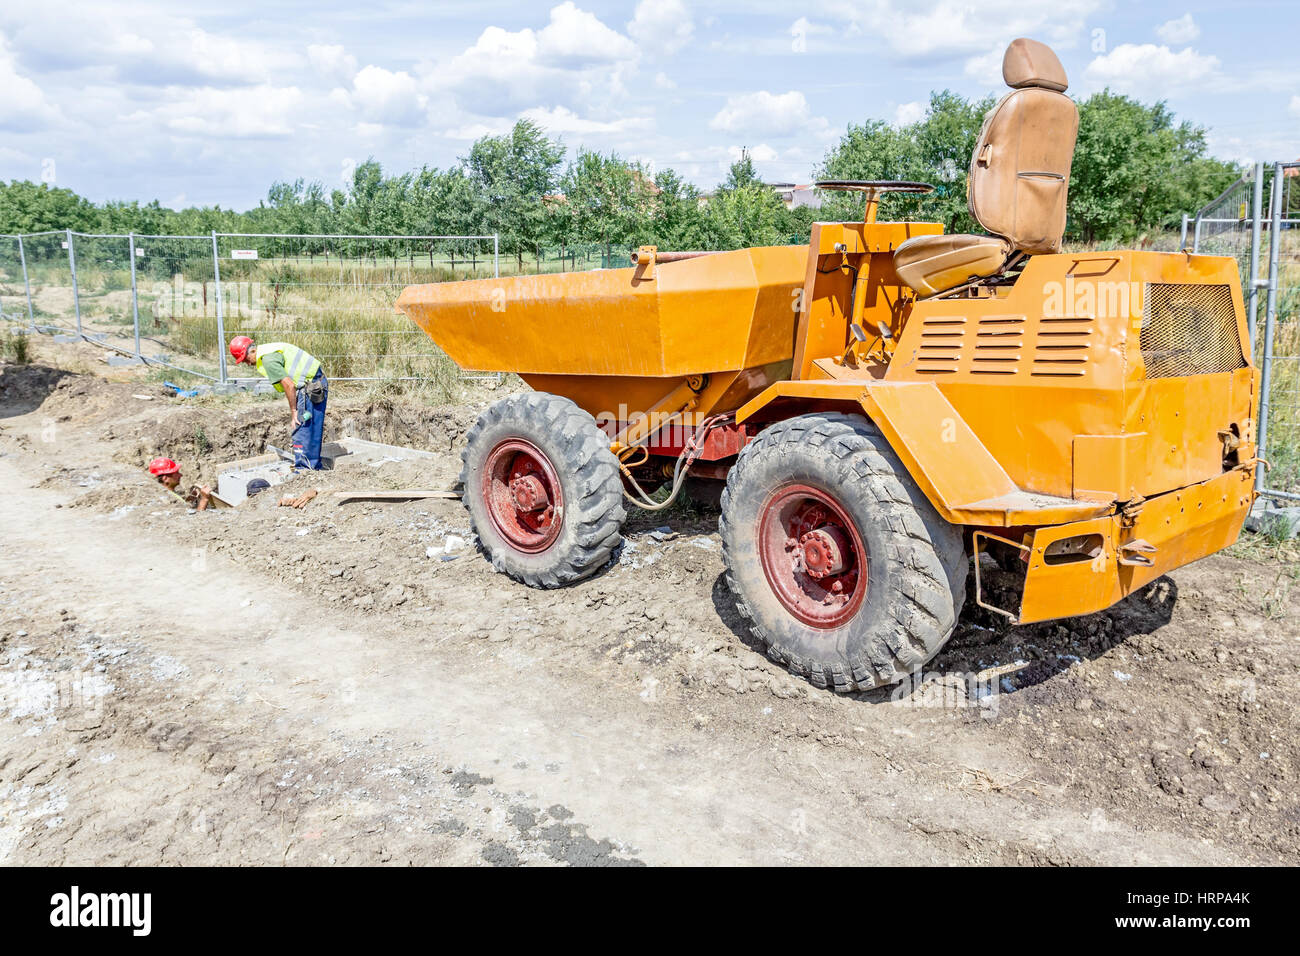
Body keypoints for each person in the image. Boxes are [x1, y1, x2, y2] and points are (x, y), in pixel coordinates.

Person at [228, 335, 329, 470]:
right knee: (313, 428)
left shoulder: (268, 360)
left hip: (309, 387)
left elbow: (289, 385)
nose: (247, 363)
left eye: (245, 359)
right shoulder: (270, 350)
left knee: (301, 427)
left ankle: (304, 469)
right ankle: (313, 467)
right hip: (317, 382)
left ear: (251, 351)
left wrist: (294, 411)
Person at [148, 457, 212, 511]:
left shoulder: (167, 495)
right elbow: (193, 520)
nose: (180, 475)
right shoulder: (168, 500)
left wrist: (191, 499)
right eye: (176, 473)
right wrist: (204, 499)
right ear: (165, 478)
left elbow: (182, 509)